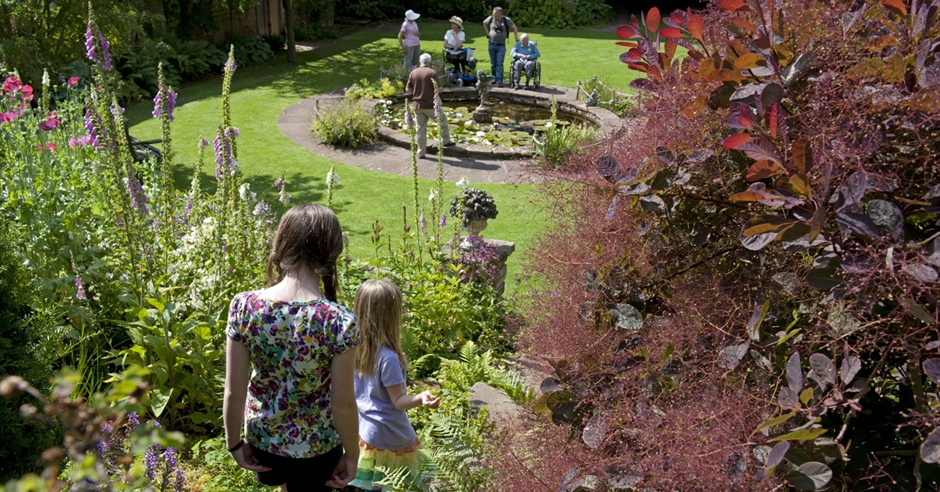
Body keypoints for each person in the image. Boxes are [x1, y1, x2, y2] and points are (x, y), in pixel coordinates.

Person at [224, 203, 361, 491]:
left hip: (264, 444)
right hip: (317, 450)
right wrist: (352, 455)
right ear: (333, 252)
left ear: (282, 244)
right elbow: (343, 404)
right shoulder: (338, 321)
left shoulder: (245, 306)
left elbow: (234, 392)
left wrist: (233, 443)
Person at [349, 279, 441, 491]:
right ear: (392, 316)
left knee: (373, 483)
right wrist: (421, 398)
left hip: (365, 430)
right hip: (390, 434)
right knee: (399, 483)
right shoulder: (388, 358)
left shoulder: (354, 348)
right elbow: (398, 401)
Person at [405, 53, 455, 158]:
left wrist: (417, 91)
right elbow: (440, 89)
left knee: (420, 130)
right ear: (429, 62)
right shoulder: (432, 72)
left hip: (417, 105)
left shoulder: (413, 72)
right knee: (442, 121)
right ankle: (446, 141)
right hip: (431, 105)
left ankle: (421, 152)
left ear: (420, 61)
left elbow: (408, 89)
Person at [482, 6, 519, 86]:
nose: (493, 15)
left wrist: (516, 36)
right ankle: (494, 79)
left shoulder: (506, 20)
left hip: (501, 45)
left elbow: (514, 27)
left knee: (499, 63)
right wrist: (487, 32)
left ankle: (499, 80)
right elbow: (484, 22)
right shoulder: (491, 19)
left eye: (495, 14)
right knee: (493, 63)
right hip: (491, 44)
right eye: (493, 13)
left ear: (500, 14)